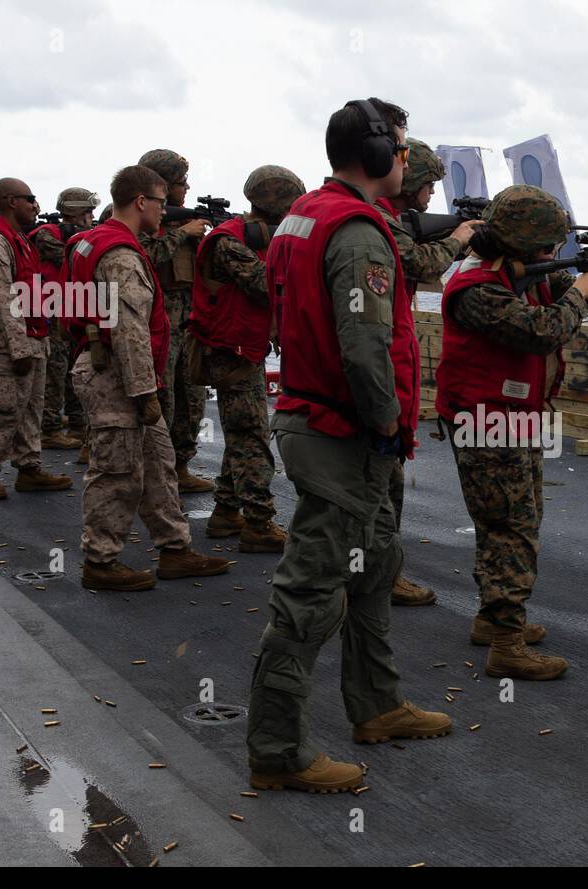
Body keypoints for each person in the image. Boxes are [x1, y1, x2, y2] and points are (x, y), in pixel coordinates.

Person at [246, 98, 450, 795]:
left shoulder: (306, 213)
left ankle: (377, 705)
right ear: (373, 154)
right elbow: (364, 347)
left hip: (322, 420)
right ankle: (277, 749)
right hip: (345, 433)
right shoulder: (358, 232)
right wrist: (389, 424)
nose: (405, 158)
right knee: (310, 595)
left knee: (372, 570)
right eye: (398, 146)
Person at [437, 184, 588, 679]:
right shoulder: (478, 287)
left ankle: (492, 620)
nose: (552, 255)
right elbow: (542, 329)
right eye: (546, 247)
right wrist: (581, 290)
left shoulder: (510, 273)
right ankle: (506, 642)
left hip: (506, 418)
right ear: (521, 243)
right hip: (489, 420)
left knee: (504, 524)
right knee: (512, 530)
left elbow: (571, 305)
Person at [65, 164, 232, 591]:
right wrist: (144, 392)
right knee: (116, 473)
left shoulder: (87, 241)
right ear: (141, 202)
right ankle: (100, 562)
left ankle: (175, 549)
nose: (165, 212)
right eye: (161, 203)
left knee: (158, 463)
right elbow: (130, 329)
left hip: (110, 367)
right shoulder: (121, 254)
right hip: (119, 378)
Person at [375, 140, 484, 607]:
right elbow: (417, 262)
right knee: (382, 483)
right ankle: (380, 577)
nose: (430, 195)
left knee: (379, 483)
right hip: (379, 375)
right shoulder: (381, 220)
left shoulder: (376, 218)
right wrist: (461, 238)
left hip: (382, 369)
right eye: (429, 186)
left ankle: (374, 572)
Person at [190, 165, 305, 553]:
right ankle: (258, 522)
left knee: (243, 432)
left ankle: (225, 511)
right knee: (252, 434)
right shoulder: (229, 241)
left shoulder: (248, 237)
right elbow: (264, 284)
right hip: (230, 352)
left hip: (244, 349)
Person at [0, 178, 71, 499]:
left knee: (31, 409)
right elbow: (2, 299)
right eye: (30, 199)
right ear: (12, 201)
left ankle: (29, 467)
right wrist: (20, 348)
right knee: (3, 407)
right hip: (6, 341)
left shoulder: (20, 239)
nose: (36, 205)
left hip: (34, 336)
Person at [137, 148, 213, 495]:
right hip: (159, 317)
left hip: (190, 317)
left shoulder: (184, 219)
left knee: (193, 396)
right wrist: (182, 233)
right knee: (161, 397)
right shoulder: (139, 218)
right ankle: (154, 471)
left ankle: (181, 465)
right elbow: (147, 256)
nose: (186, 188)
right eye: (180, 182)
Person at [30, 186, 98, 451]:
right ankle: (49, 429)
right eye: (88, 212)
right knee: (55, 374)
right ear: (76, 212)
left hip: (71, 312)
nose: (92, 216)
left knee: (72, 372)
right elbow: (70, 255)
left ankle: (78, 424)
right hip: (51, 313)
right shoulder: (48, 234)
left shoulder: (74, 235)